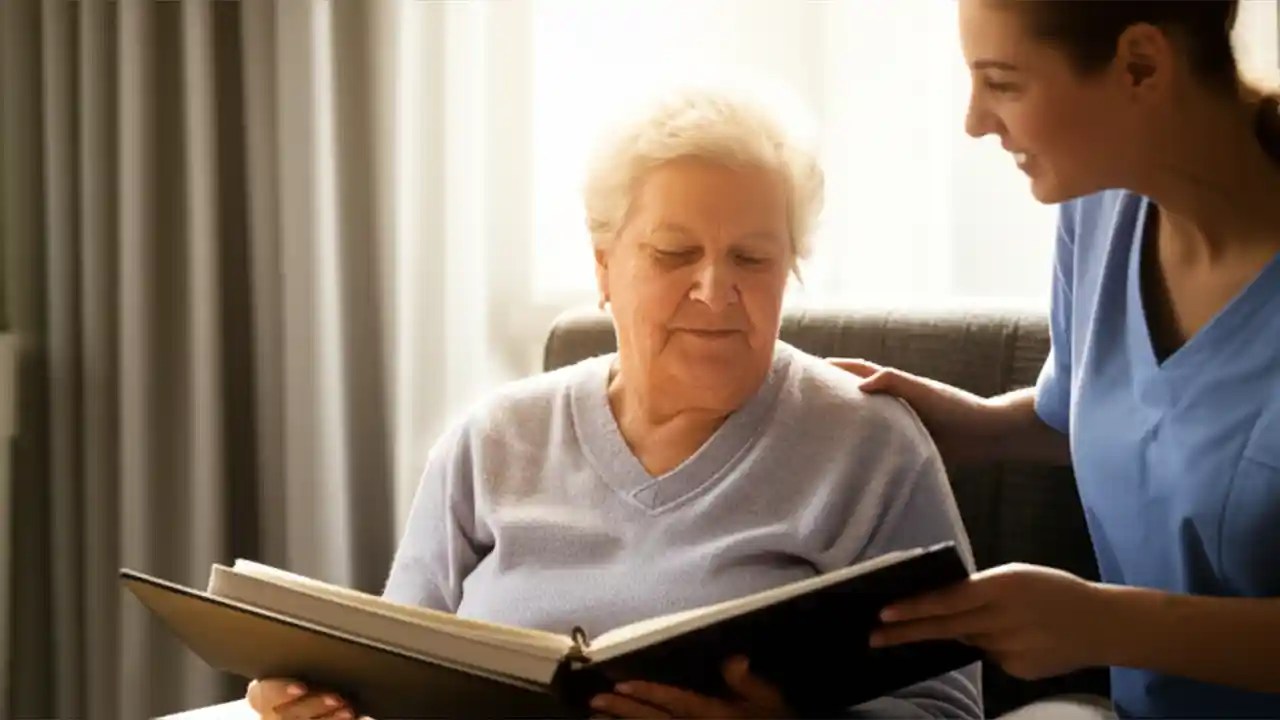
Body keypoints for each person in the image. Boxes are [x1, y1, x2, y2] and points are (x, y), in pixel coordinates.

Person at [245, 88, 983, 720]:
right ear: (605, 267)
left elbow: (948, 709)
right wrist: (324, 700)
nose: (714, 289)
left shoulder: (871, 445)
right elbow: (399, 673)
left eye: (753, 258)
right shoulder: (491, 439)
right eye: (673, 253)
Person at [832, 1, 1280, 718]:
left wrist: (1104, 624)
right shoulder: (1100, 209)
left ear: (1141, 65)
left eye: (1003, 83)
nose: (975, 121)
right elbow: (1122, 418)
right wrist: (974, 425)